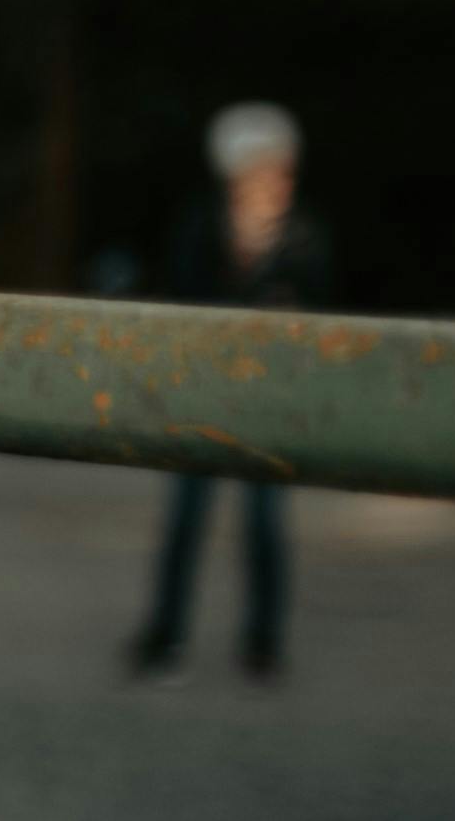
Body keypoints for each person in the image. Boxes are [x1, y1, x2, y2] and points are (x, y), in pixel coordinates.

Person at [128, 101, 334, 682]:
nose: (271, 179)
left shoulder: (305, 232)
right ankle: (165, 634)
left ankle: (263, 642)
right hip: (205, 396)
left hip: (268, 400)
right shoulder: (204, 222)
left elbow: (318, 306)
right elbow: (183, 294)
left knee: (265, 523)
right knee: (186, 518)